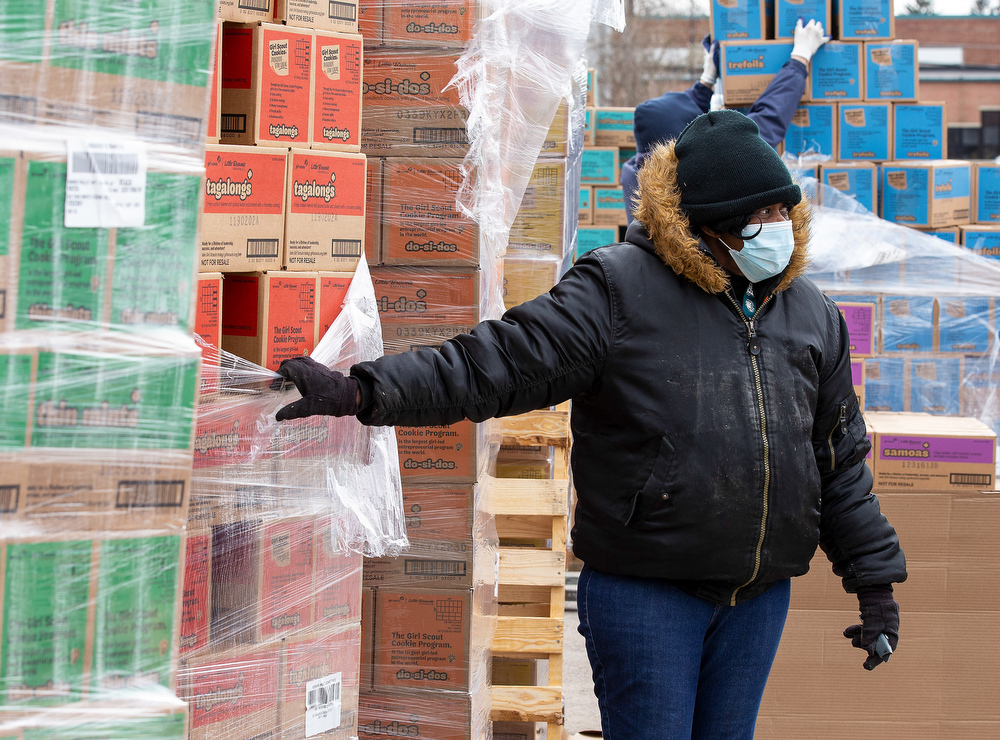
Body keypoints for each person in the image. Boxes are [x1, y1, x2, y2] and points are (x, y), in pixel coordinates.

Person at [275, 111, 907, 740]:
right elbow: (493, 365)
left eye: (782, 212)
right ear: (708, 224)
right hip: (648, 597)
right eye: (759, 216)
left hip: (758, 600)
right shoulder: (619, 290)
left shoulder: (812, 316)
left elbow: (836, 459)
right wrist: (364, 389)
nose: (778, 230)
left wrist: (873, 582)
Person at [621, 19, 830, 225]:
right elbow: (765, 122)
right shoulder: (696, 181)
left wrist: (706, 81)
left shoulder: (635, 174)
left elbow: (670, 114)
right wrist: (799, 60)